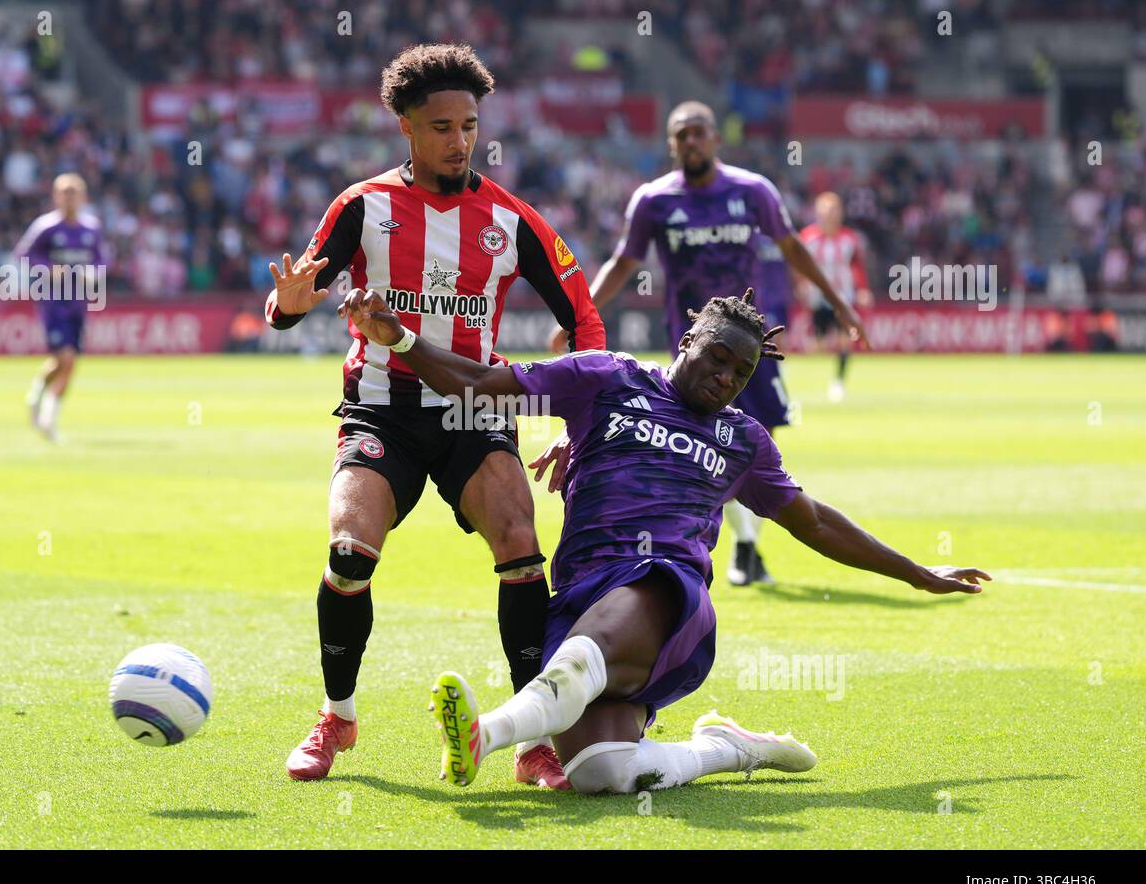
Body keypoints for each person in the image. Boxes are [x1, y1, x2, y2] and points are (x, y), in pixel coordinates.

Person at [340, 285, 989, 795]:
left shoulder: (742, 440)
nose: (727, 377)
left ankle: (482, 735)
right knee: (604, 773)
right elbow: (482, 386)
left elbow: (812, 521)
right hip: (584, 591)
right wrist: (399, 338)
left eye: (742, 371)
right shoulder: (607, 378)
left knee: (572, 664)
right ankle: (729, 749)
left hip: (664, 589)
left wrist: (916, 572)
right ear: (687, 341)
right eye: (718, 358)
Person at [264, 43, 606, 787]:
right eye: (442, 126)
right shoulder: (362, 207)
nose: (459, 140)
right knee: (350, 552)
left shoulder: (513, 221)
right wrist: (284, 308)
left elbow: (584, 319)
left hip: (474, 411)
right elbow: (292, 297)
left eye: (470, 125)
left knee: (520, 543)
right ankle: (337, 715)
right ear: (408, 130)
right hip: (380, 410)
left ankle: (532, 738)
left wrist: (580, 426)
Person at [546, 101, 867, 587]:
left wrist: (837, 302)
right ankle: (744, 547)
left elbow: (792, 248)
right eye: (681, 136)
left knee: (754, 444)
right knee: (705, 444)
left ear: (715, 139)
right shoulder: (654, 200)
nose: (691, 142)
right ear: (671, 144)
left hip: (751, 348)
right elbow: (623, 262)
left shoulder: (752, 190)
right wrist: (579, 311)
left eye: (698, 133)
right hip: (693, 353)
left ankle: (745, 546)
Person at [16, 173, 105, 443]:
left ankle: (37, 395)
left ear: (82, 197)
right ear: (56, 196)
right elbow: (24, 254)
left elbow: (102, 258)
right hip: (53, 300)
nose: (69, 198)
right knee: (65, 357)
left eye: (73, 193)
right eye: (64, 193)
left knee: (66, 362)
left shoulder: (91, 228)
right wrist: (46, 269)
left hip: (79, 301)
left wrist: (95, 273)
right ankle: (48, 419)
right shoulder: (46, 227)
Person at [798, 192, 874, 401]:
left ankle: (838, 382)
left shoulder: (850, 239)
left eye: (833, 211)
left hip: (843, 297)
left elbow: (857, 265)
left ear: (839, 213)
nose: (829, 215)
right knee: (817, 345)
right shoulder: (807, 237)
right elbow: (798, 265)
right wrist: (801, 284)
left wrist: (862, 289)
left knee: (845, 340)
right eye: (825, 211)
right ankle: (806, 381)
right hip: (818, 298)